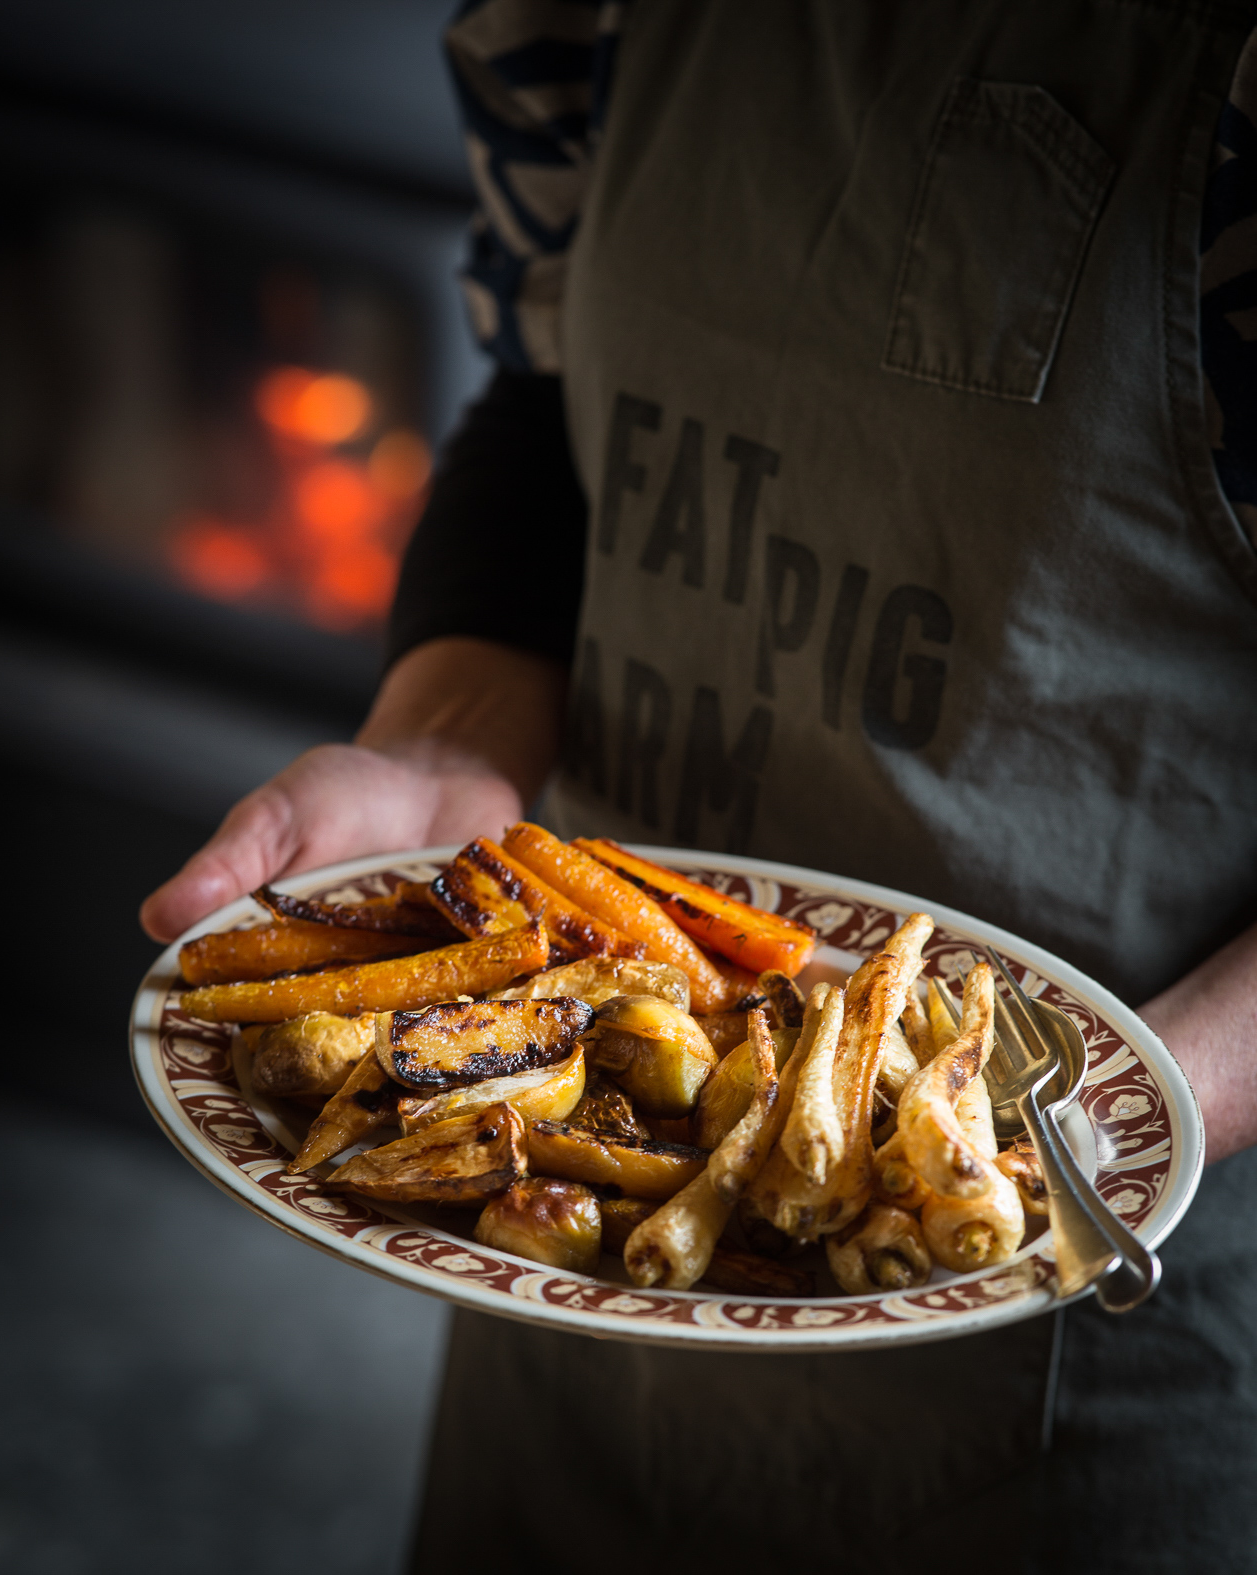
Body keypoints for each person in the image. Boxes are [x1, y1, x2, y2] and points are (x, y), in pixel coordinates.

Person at [143, 3, 1257, 1569]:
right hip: (548, 1246)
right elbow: (550, 395)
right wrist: (442, 741)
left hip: (1068, 1327)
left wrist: (1112, 1113)